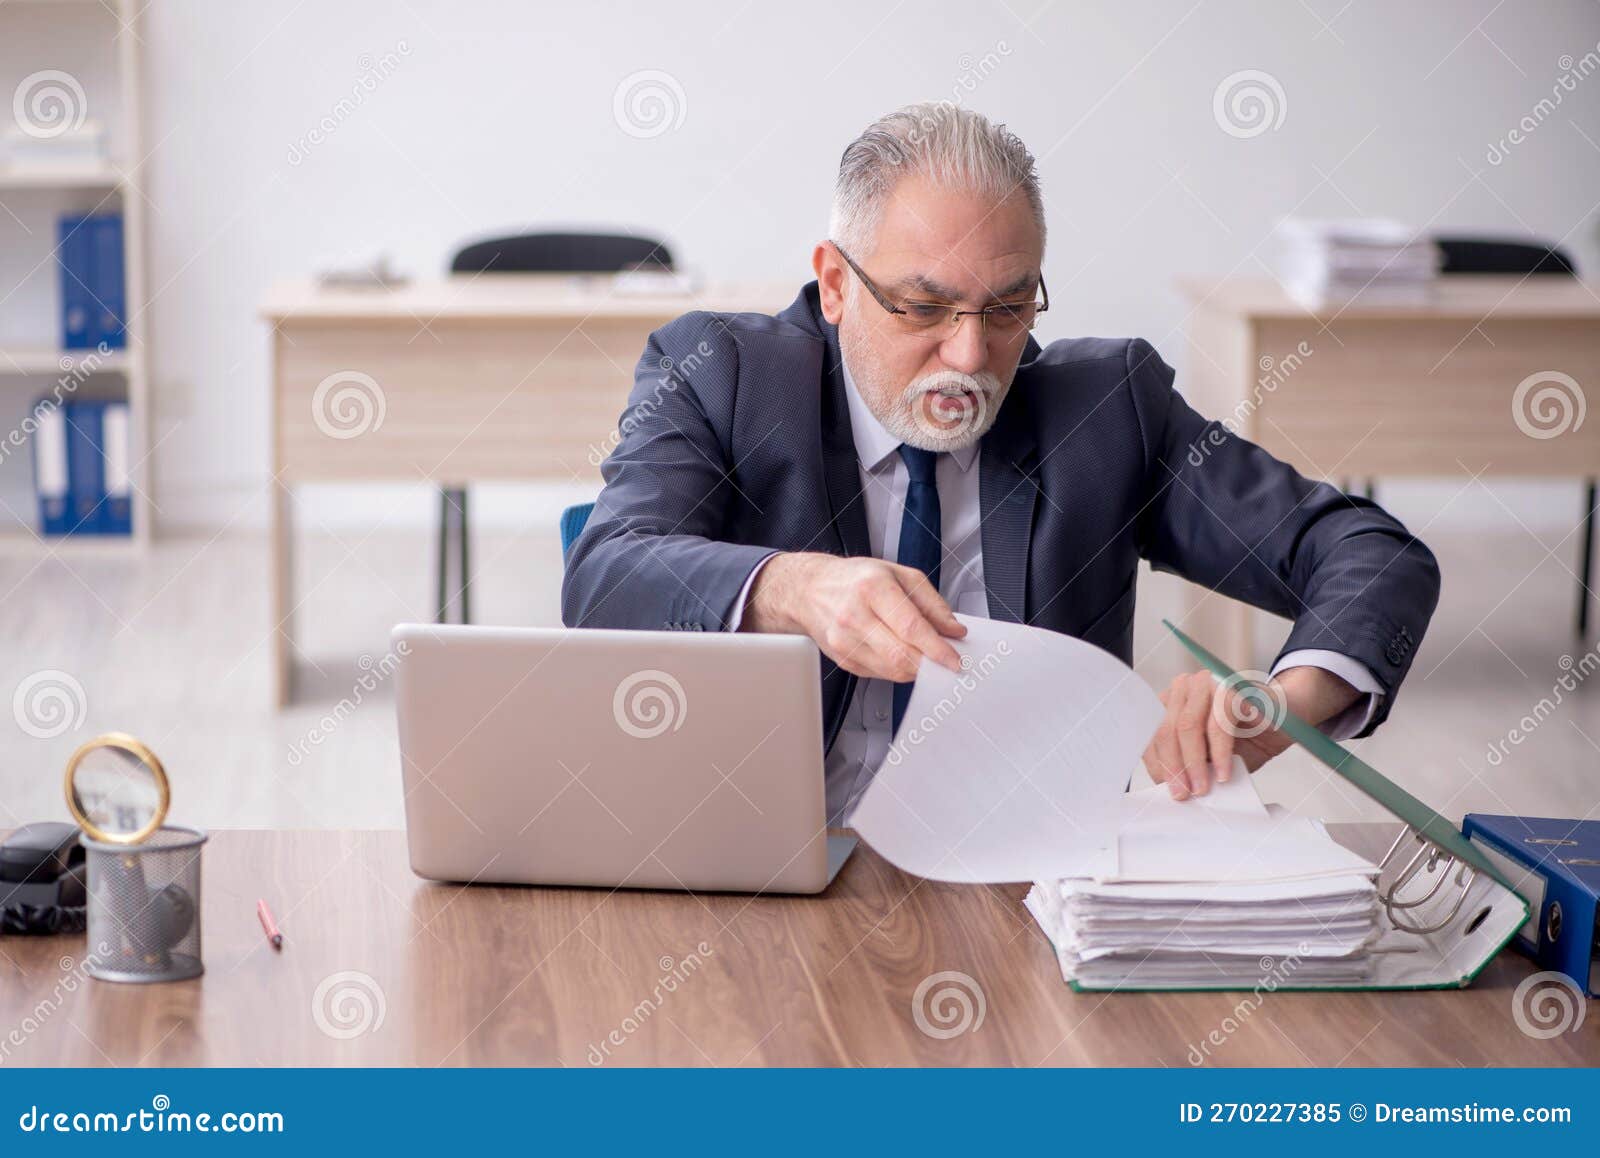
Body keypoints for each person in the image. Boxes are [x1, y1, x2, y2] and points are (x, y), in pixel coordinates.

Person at [562, 103, 1439, 824]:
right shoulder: (720, 374)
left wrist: (1277, 707)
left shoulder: (1104, 412)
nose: (971, 356)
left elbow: (1372, 557)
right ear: (834, 285)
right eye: (925, 308)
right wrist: (795, 588)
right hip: (762, 869)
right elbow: (605, 574)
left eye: (1010, 307)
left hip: (1025, 883)